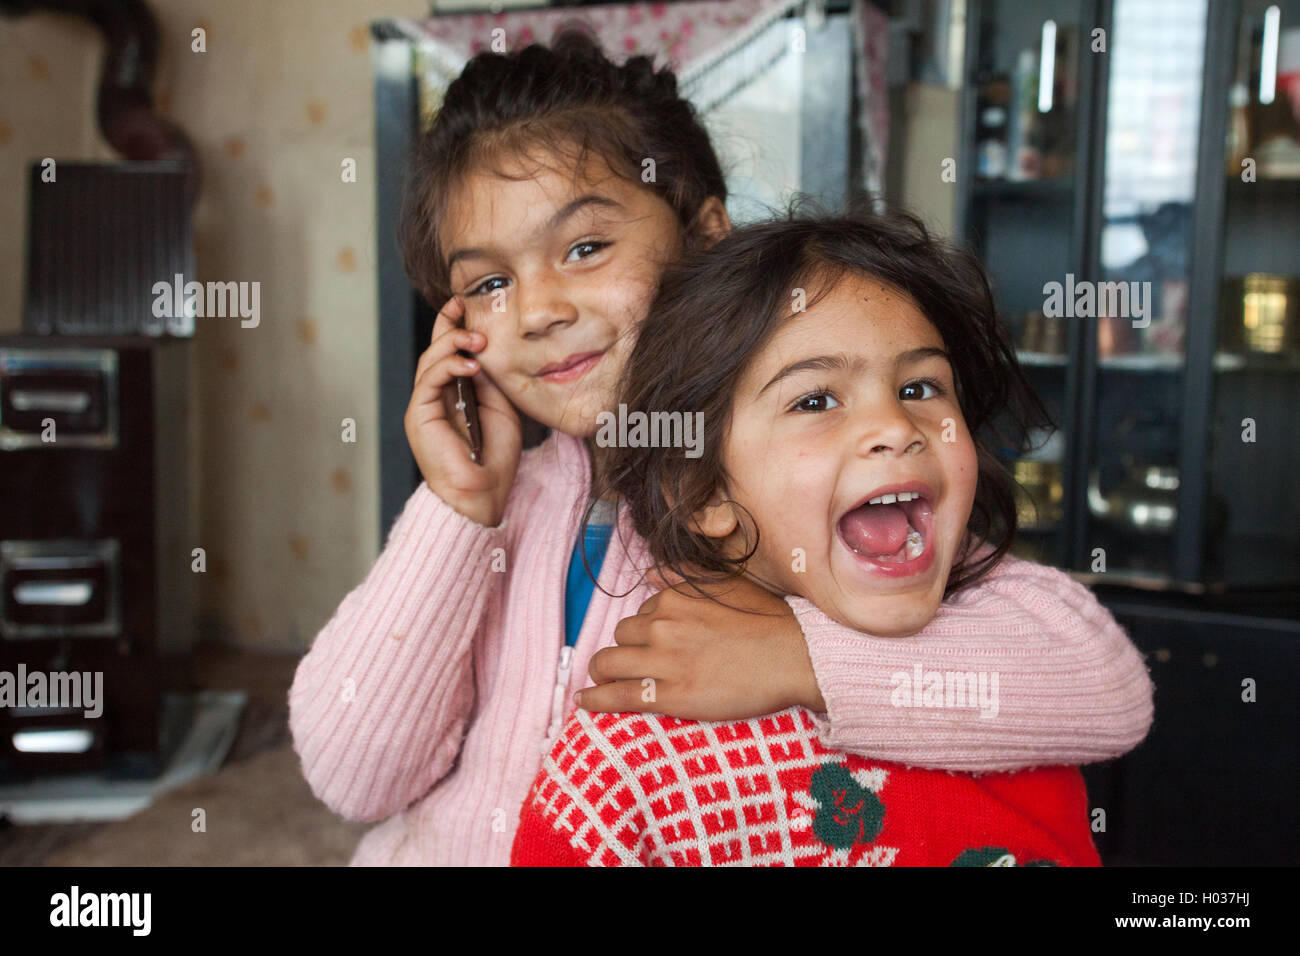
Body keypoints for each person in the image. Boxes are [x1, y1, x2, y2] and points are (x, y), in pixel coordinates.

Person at [289, 34, 1153, 866]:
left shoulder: (795, 474)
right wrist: (458, 506)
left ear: (705, 235)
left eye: (586, 248)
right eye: (488, 283)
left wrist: (794, 655)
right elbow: (354, 777)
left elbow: (1101, 685)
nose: (538, 310)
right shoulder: (489, 504)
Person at [511, 206, 1127, 866]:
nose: (895, 425)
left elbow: (1114, 690)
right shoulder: (628, 766)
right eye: (815, 401)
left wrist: (797, 658)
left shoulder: (1007, 639)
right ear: (703, 493)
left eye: (920, 386)